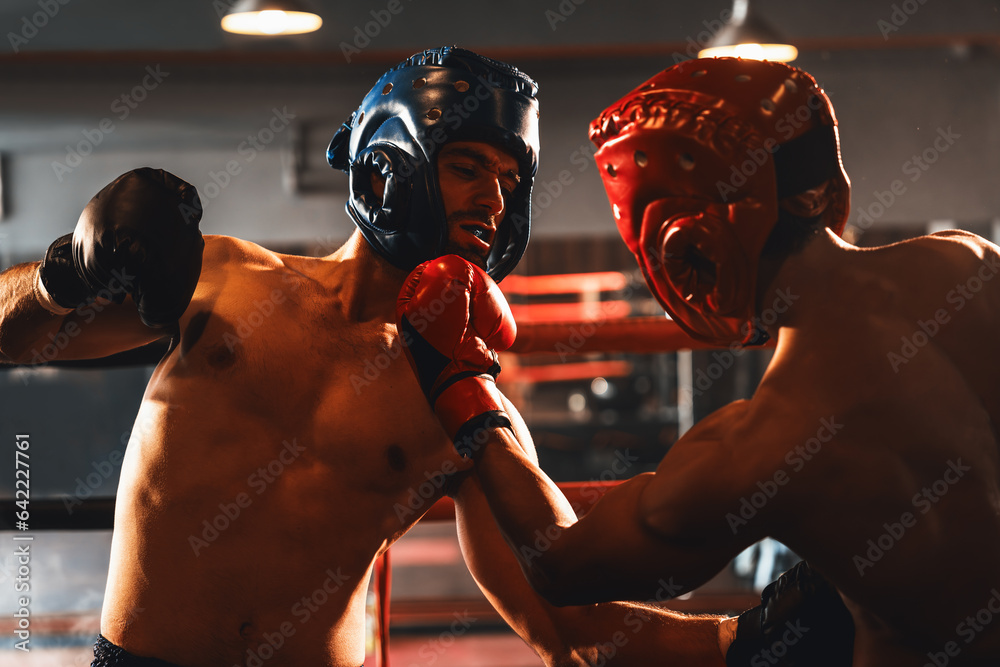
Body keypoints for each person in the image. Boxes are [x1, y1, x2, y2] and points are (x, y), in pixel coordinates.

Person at [0, 47, 836, 667]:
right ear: (389, 159)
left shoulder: (462, 393)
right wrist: (63, 276)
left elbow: (566, 620)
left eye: (511, 180)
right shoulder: (222, 277)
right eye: (469, 164)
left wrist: (744, 641)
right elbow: (13, 336)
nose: (493, 197)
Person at [401, 56, 1000, 667]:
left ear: (681, 241)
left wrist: (465, 387)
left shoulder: (769, 443)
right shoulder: (970, 263)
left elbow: (563, 568)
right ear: (828, 192)